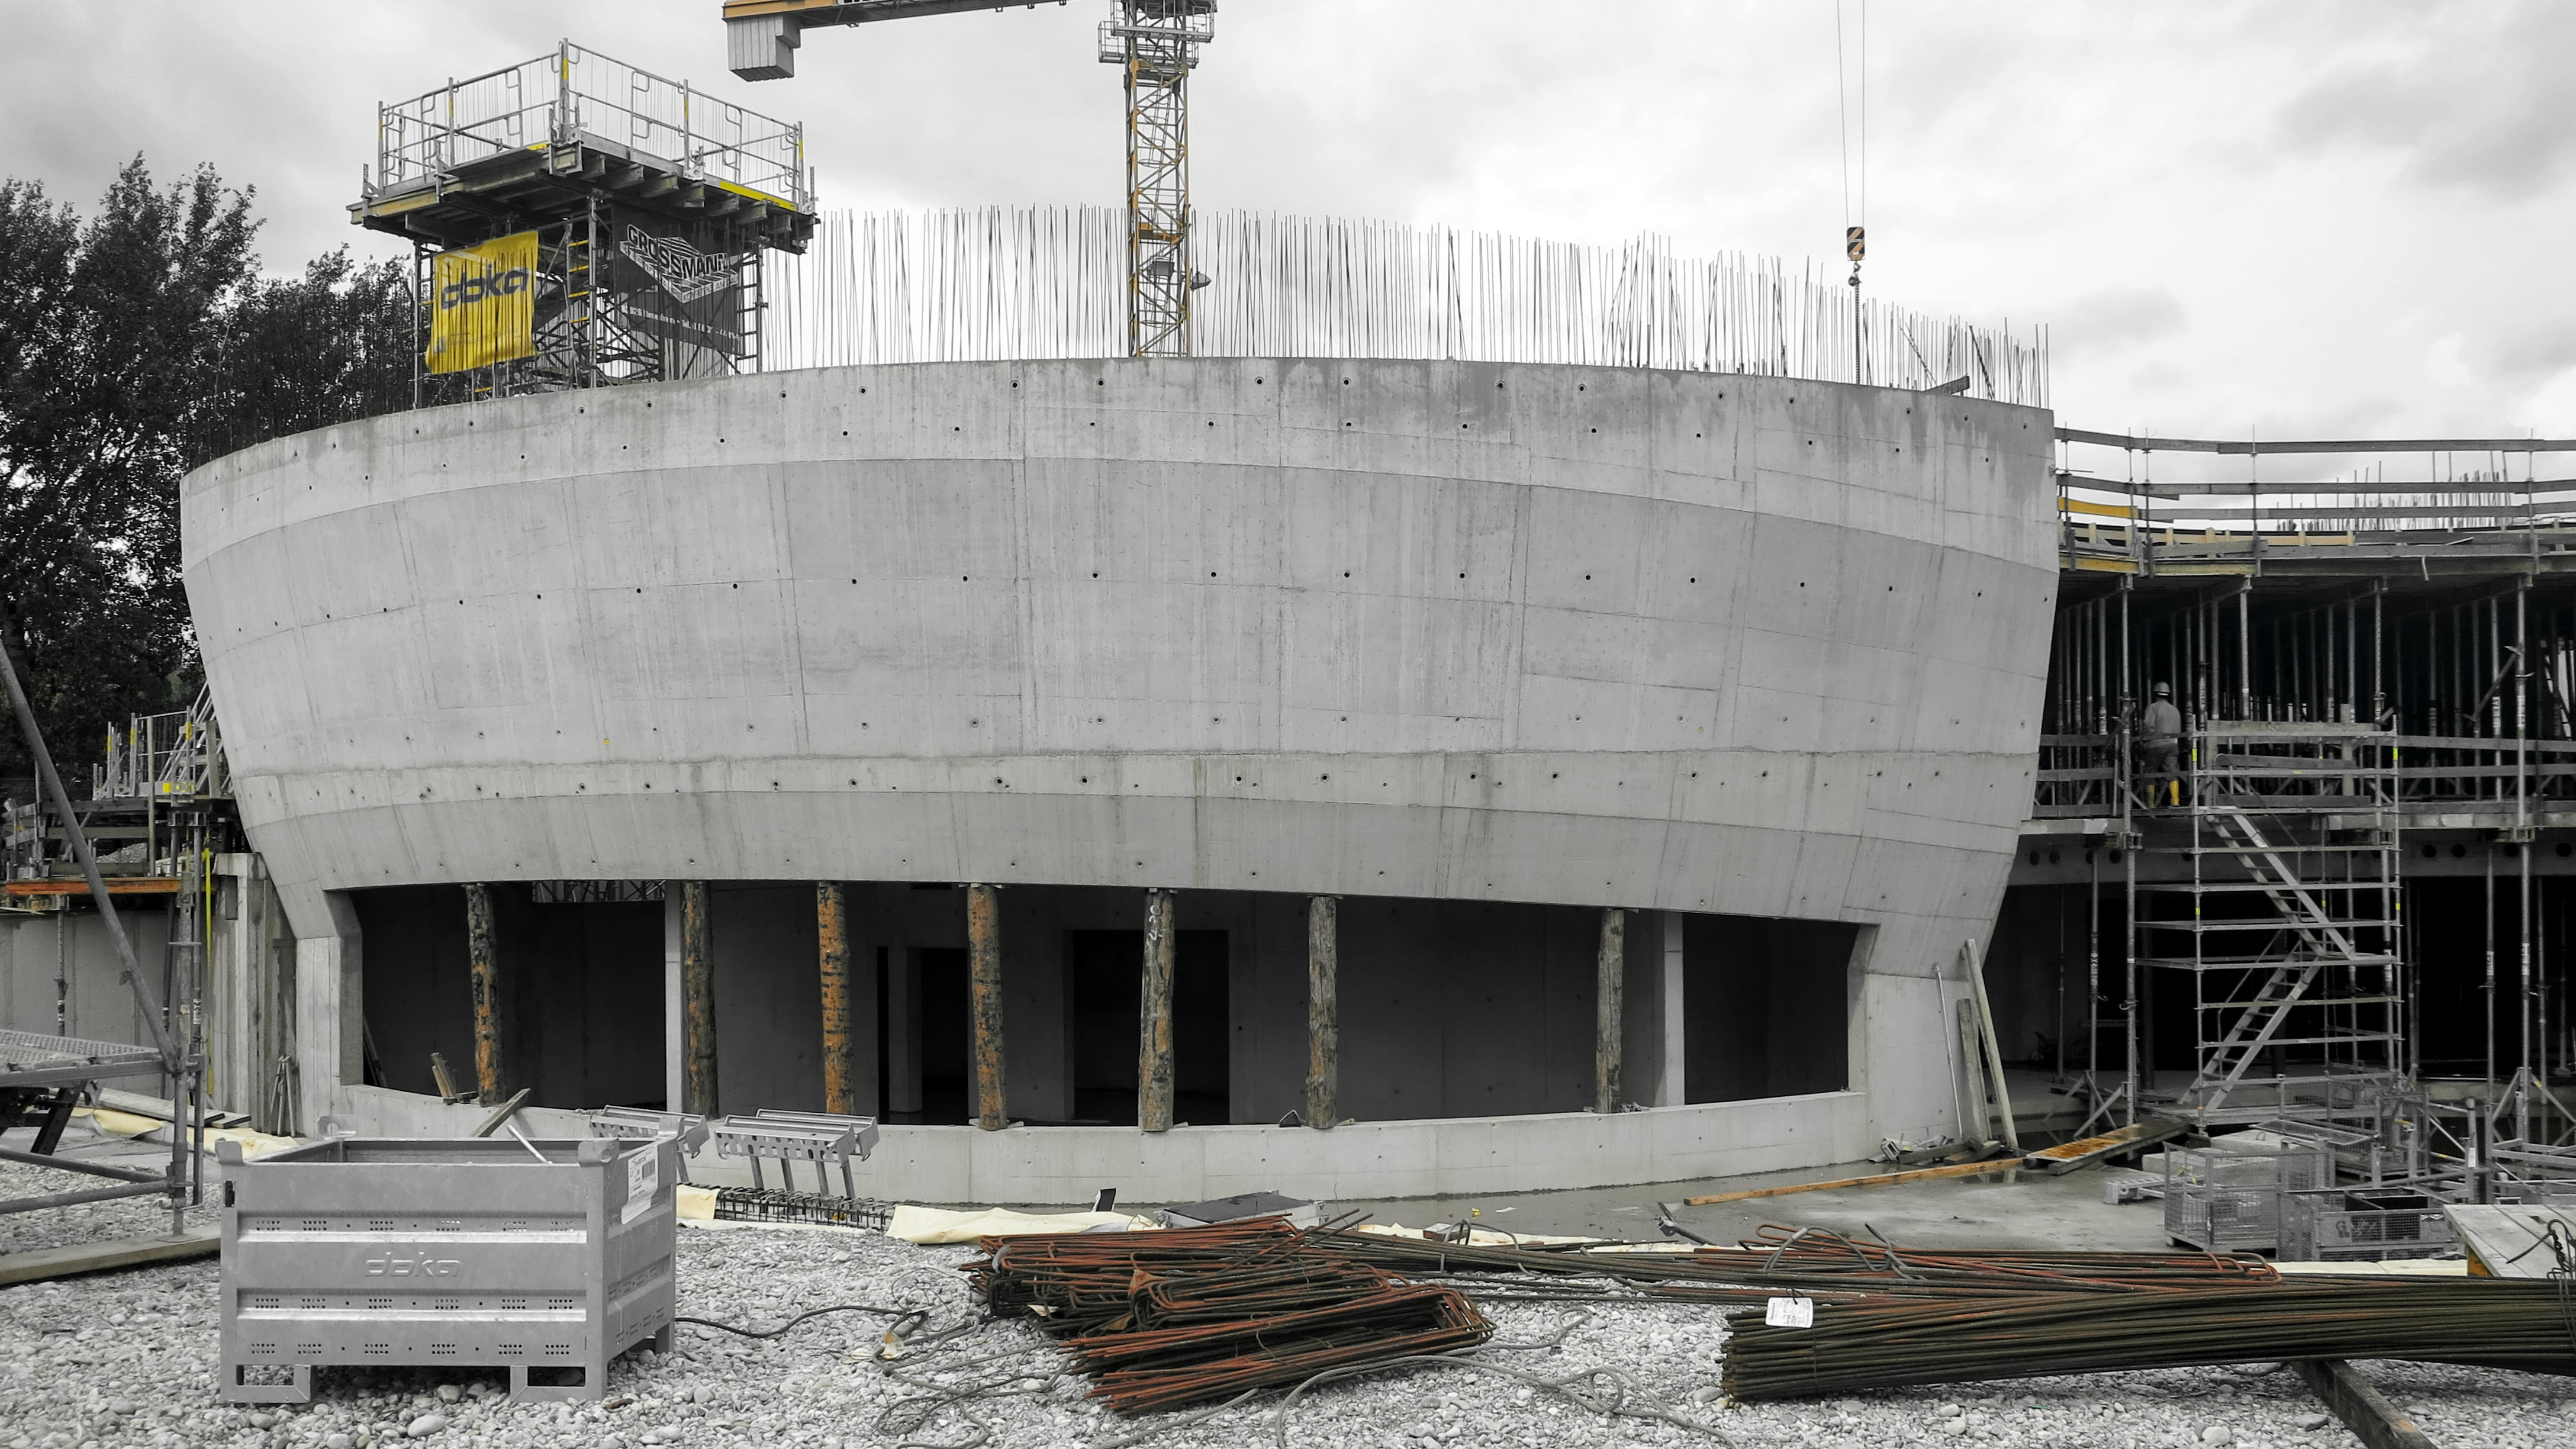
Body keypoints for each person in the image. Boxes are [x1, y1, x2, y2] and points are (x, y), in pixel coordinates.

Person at [2139, 682, 2184, 807]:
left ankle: (2151, 804)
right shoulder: (2175, 710)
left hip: (2156, 746)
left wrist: (2143, 740)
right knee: (2171, 772)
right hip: (2173, 745)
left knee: (2150, 772)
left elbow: (2148, 726)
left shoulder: (2153, 707)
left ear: (2155, 694)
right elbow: (2178, 730)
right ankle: (2175, 801)